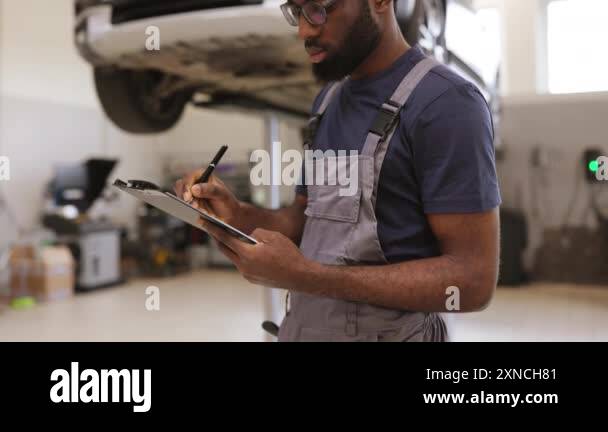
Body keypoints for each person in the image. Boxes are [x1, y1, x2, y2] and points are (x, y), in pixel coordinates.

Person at [174, 0, 501, 342]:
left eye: (318, 9)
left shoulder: (448, 104)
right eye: (296, 12)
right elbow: (304, 222)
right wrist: (236, 214)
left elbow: (472, 282)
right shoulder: (327, 101)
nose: (304, 31)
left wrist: (309, 277)